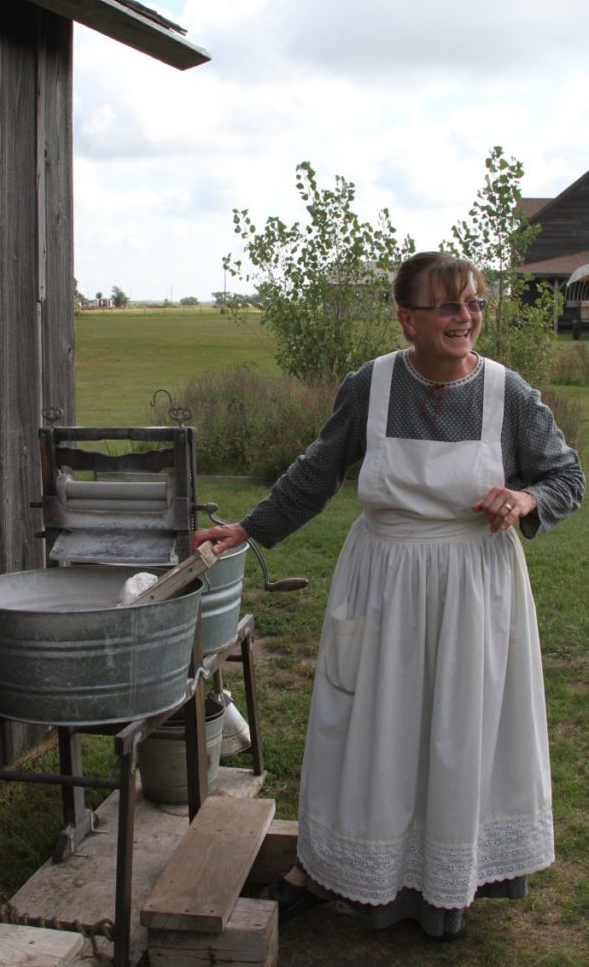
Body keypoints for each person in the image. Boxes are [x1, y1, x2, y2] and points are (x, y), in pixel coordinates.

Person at [192, 251, 585, 940]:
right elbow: (317, 472)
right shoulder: (369, 385)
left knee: (458, 733)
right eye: (447, 306)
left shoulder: (507, 393)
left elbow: (564, 478)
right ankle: (335, 871)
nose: (465, 318)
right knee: (368, 725)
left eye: (473, 304)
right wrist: (250, 527)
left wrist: (523, 497)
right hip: (382, 580)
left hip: (473, 587)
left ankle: (447, 884)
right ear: (407, 319)